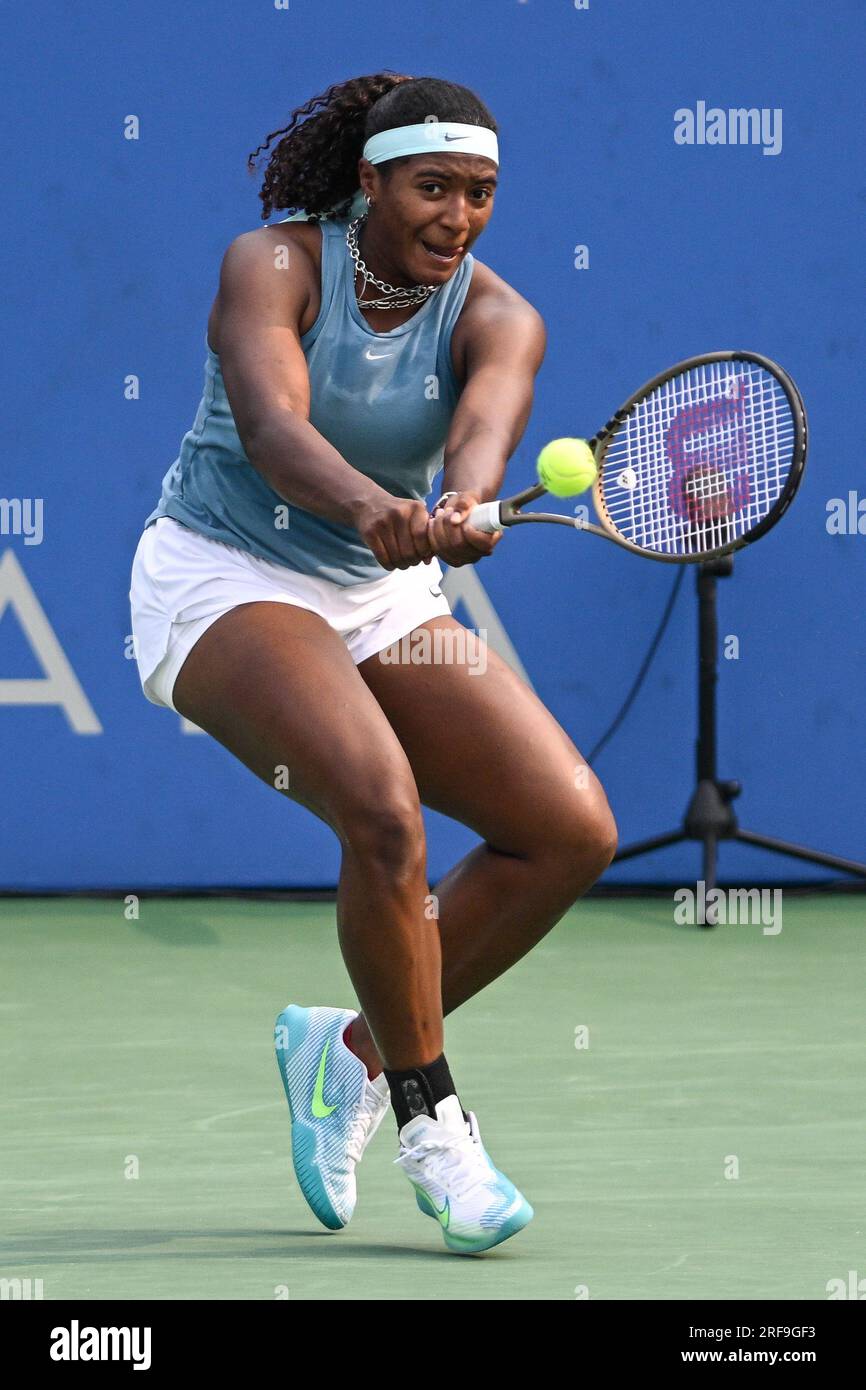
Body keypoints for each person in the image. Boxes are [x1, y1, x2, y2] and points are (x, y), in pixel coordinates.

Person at [129, 72, 617, 1255]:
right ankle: (429, 1117)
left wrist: (460, 501)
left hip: (381, 594)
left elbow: (483, 429)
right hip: (224, 576)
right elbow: (274, 428)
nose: (457, 215)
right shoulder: (275, 266)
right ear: (369, 181)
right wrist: (368, 506)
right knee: (382, 811)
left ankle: (346, 1045)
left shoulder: (502, 315)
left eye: (480, 193)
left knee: (568, 829)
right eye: (432, 187)